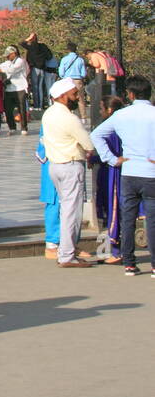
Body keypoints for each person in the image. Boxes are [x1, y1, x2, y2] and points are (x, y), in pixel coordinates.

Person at [90, 74, 155, 276]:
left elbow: (96, 135)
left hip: (129, 172)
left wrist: (111, 158)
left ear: (131, 94)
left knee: (127, 218)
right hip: (150, 172)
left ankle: (129, 262)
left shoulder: (121, 115)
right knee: (151, 220)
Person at [41, 79, 96, 268]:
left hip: (55, 165)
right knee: (71, 213)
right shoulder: (69, 118)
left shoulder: (48, 114)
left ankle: (65, 251)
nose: (77, 97)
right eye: (74, 94)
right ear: (63, 96)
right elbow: (88, 144)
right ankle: (66, 255)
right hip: (71, 165)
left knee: (66, 210)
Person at [90, 96, 128, 266]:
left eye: (101, 108)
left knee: (114, 211)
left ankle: (116, 251)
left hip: (113, 173)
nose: (100, 111)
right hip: (117, 172)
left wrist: (96, 158)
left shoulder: (111, 129)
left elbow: (111, 152)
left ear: (109, 110)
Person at [34, 124, 59, 259]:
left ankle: (68, 243)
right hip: (55, 163)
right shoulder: (51, 117)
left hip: (65, 162)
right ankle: (52, 244)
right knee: (54, 203)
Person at [0, 46, 31, 135]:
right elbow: (0, 66)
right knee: (8, 109)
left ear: (13, 54)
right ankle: (12, 127)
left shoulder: (21, 61)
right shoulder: (8, 62)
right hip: (9, 89)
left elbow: (12, 70)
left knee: (22, 108)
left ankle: (24, 128)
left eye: (8, 55)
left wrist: (0, 70)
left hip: (20, 88)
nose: (7, 57)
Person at [23, 33, 53, 110]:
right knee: (40, 88)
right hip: (42, 68)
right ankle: (40, 105)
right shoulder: (43, 46)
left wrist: (28, 38)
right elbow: (49, 56)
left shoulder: (31, 47)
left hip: (34, 69)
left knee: (35, 87)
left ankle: (36, 106)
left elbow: (22, 43)